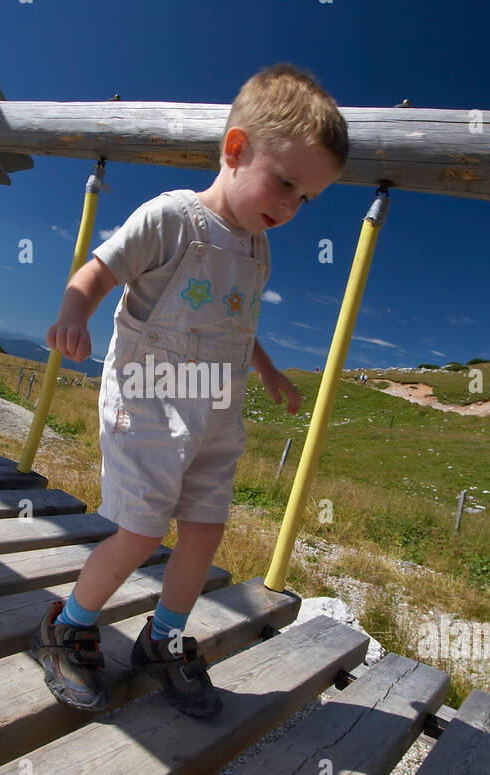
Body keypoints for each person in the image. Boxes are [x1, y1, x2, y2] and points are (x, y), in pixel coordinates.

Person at [33, 64, 348, 717]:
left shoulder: (258, 252)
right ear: (235, 150)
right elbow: (100, 267)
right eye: (285, 183)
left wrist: (265, 368)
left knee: (206, 530)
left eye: (305, 199)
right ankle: (69, 623)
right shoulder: (172, 218)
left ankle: (162, 636)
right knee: (143, 530)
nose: (289, 207)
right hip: (148, 396)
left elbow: (238, 323)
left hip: (215, 409)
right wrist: (73, 311)